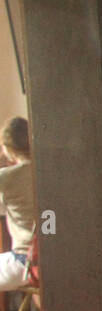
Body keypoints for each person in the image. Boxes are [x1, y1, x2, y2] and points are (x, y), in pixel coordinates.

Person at [0, 116, 36, 293]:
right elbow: (49, 223)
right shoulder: (46, 171)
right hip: (48, 262)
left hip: (23, 262)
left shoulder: (6, 177)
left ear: (7, 148)